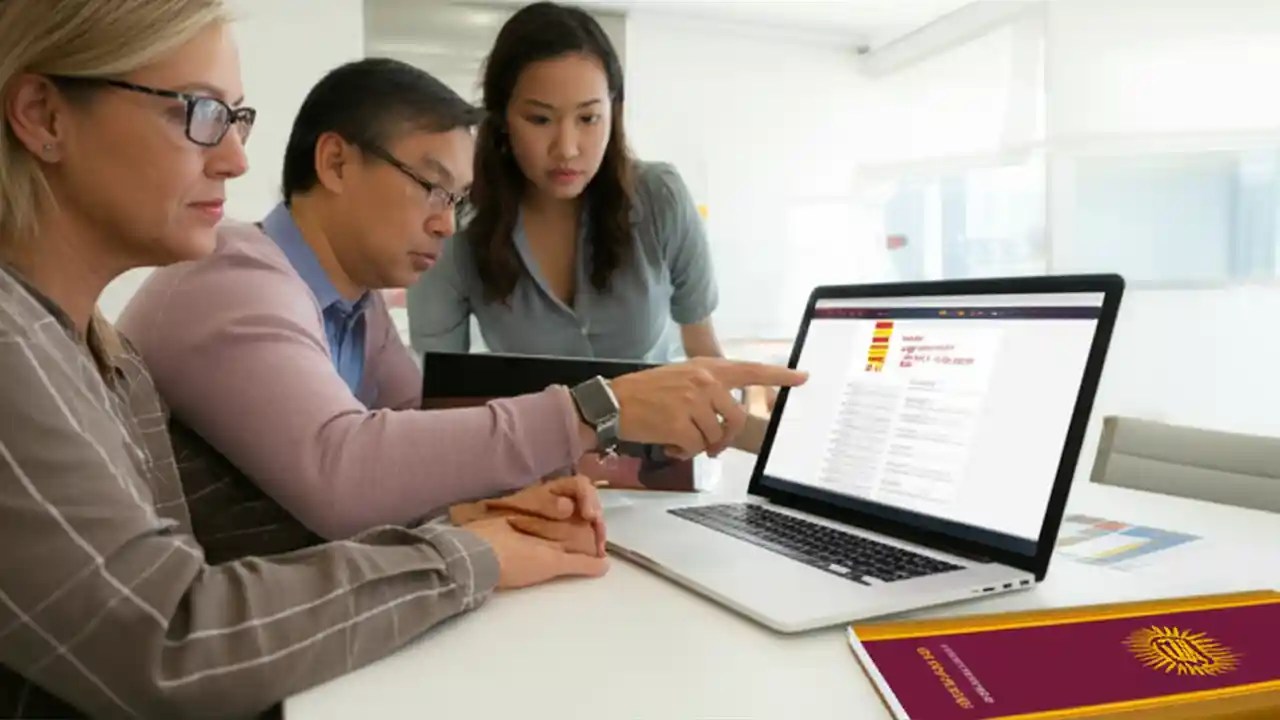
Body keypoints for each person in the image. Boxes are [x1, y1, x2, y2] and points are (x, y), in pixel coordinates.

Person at [0, 2, 611, 717]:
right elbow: (170, 640)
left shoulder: (103, 353)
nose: (234, 158)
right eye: (196, 113)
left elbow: (215, 539)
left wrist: (467, 515)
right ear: (44, 116)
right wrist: (471, 554)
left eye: (236, 119)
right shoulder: (18, 345)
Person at [115, 57, 807, 562]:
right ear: (335, 163)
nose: (447, 226)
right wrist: (598, 409)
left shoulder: (355, 310)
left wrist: (497, 502)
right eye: (431, 189)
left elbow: (422, 439)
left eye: (458, 201)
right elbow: (346, 474)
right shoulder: (229, 275)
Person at [406, 1, 726, 365]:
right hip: (530, 424)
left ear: (613, 112)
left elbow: (706, 355)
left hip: (660, 424)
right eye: (540, 119)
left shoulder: (660, 198)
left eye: (588, 118)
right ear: (502, 120)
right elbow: (437, 384)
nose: (567, 149)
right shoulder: (454, 225)